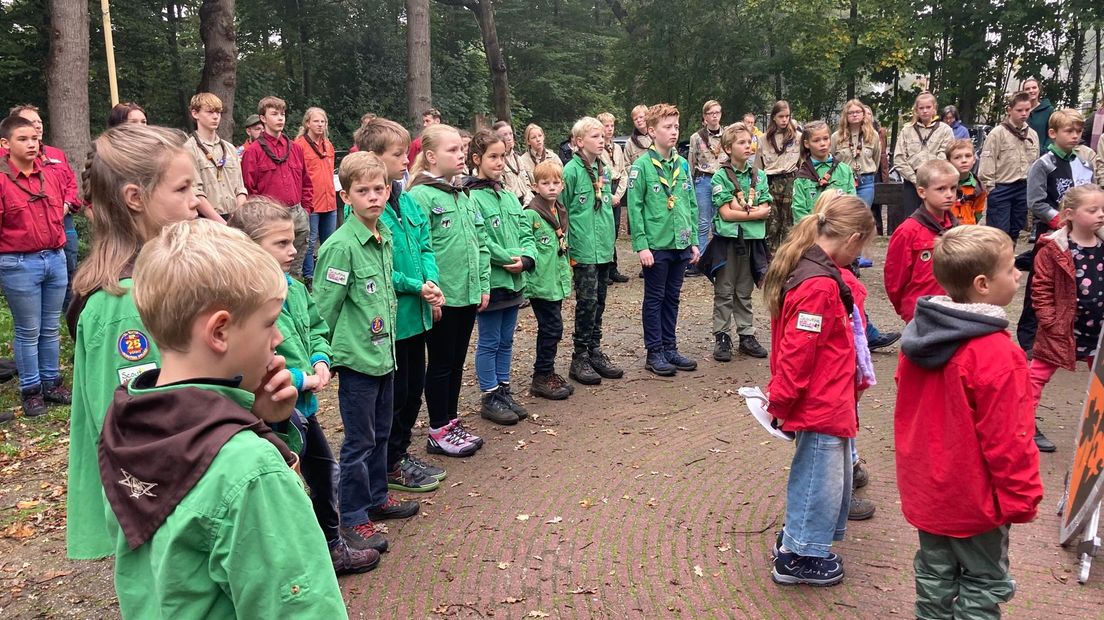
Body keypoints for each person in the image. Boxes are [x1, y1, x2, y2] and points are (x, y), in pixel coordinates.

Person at [102, 219, 349, 617]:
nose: (279, 338)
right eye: (269, 323)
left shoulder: (126, 425)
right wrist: (261, 447)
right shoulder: (251, 471)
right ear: (219, 331)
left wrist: (263, 425)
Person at [65, 124, 199, 560]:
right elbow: (132, 433)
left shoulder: (156, 281)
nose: (196, 201)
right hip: (161, 515)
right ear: (135, 199)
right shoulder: (123, 307)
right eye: (182, 189)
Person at [895, 225, 1042, 620]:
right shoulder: (997, 354)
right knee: (983, 583)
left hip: (928, 490)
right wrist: (1022, 497)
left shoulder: (918, 339)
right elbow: (1009, 438)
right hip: (975, 499)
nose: (1017, 276)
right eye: (1011, 269)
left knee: (933, 575)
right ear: (982, 283)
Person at [226, 198, 379, 574]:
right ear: (247, 246)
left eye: (294, 240)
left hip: (305, 409)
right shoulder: (242, 300)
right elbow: (251, 366)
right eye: (280, 243)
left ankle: (331, 543)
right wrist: (302, 378)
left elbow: (317, 327)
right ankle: (298, 560)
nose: (294, 250)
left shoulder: (293, 288)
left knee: (325, 475)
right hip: (275, 415)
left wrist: (322, 359)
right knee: (287, 488)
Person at [761, 192, 875, 586]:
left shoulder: (818, 275)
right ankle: (799, 556)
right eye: (862, 247)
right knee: (817, 477)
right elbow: (797, 351)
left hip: (829, 396)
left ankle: (799, 542)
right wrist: (782, 398)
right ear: (852, 238)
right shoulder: (818, 287)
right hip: (820, 400)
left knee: (827, 474)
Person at [314, 152, 422, 558]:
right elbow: (323, 307)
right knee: (358, 441)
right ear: (346, 197)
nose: (374, 197)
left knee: (380, 432)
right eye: (363, 191)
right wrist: (322, 353)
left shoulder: (383, 235)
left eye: (380, 189)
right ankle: (353, 512)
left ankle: (377, 495)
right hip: (358, 359)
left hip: (385, 354)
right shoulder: (341, 247)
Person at [352, 115, 446, 491]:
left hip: (419, 313)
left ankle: (399, 455)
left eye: (407, 152)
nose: (408, 159)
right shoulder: (364, 210)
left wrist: (432, 281)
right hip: (392, 320)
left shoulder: (405, 202)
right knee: (395, 395)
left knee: (412, 391)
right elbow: (378, 266)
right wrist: (415, 285)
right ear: (374, 158)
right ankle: (387, 463)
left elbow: (425, 246)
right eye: (398, 153)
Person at [406, 124, 488, 456]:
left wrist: (482, 284)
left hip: (466, 293)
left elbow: (478, 241)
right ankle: (437, 429)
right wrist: (432, 291)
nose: (461, 155)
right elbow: (417, 251)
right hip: (443, 297)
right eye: (452, 150)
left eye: (461, 149)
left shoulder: (462, 192)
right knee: (440, 363)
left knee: (456, 362)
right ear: (430, 156)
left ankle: (451, 422)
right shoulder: (420, 196)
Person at [1021, 109, 1103, 375]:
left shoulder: (1085, 164)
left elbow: (1090, 197)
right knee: (1042, 287)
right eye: (1070, 131)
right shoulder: (1043, 165)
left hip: (1083, 232)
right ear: (1053, 134)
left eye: (1078, 131)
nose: (1075, 136)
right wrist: (1062, 221)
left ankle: (1082, 341)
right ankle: (1029, 340)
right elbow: (1036, 201)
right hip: (1053, 235)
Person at [0, 115, 70, 418]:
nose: (32, 144)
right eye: (23, 139)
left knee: (51, 327)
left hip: (55, 257)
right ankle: (31, 389)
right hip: (19, 263)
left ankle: (52, 382)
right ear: (5, 144)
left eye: (34, 138)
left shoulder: (49, 174)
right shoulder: (2, 178)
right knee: (29, 330)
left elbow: (66, 201)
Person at [465, 130, 536, 425]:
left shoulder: (508, 196)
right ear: (477, 159)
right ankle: (490, 395)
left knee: (507, 339)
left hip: (515, 282)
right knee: (490, 341)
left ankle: (504, 389)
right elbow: (481, 240)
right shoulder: (472, 197)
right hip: (493, 282)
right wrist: (510, 259)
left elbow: (525, 230)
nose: (499, 162)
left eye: (503, 156)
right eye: (492, 157)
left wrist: (527, 258)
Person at [1030, 184, 1104, 454]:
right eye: (1093, 209)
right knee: (1036, 377)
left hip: (1099, 330)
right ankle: (1023, 426)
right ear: (1070, 214)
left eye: (1103, 209)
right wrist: (1050, 321)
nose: (1100, 214)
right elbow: (1041, 288)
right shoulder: (1054, 248)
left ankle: (1098, 432)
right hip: (1063, 328)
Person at [627, 103, 699, 376]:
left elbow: (690, 202)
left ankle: (670, 347)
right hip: (656, 244)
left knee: (673, 297)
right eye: (667, 127)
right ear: (652, 131)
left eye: (676, 127)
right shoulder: (642, 166)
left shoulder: (681, 163)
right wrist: (642, 245)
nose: (673, 132)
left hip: (680, 242)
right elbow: (634, 208)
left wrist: (693, 240)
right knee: (655, 298)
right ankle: (654, 351)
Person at [562, 116, 623, 385]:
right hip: (583, 247)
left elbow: (606, 204)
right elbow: (562, 209)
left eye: (603, 136)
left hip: (603, 247)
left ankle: (594, 350)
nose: (602, 140)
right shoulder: (571, 171)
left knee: (600, 301)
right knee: (586, 303)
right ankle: (579, 356)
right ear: (578, 142)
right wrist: (567, 247)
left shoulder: (603, 169)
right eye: (596, 137)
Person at [705, 121, 771, 362]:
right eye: (741, 142)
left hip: (752, 241)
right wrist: (754, 214)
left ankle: (746, 334)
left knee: (744, 290)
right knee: (724, 290)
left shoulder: (759, 175)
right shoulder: (720, 177)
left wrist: (743, 211)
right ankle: (722, 336)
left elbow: (766, 207)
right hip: (728, 241)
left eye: (749, 142)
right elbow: (726, 214)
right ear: (728, 148)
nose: (747, 146)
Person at [8, 105, 82, 315]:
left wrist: (66, 205)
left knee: (69, 266)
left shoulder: (55, 154)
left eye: (39, 121)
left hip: (63, 222)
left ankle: (69, 315)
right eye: (31, 122)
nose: (37, 126)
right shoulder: (7, 160)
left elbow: (71, 184)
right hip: (27, 232)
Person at [240, 96, 313, 277]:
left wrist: (306, 210)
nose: (280, 118)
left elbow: (306, 181)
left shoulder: (295, 149)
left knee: (294, 269)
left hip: (298, 214)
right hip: (271, 218)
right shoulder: (253, 152)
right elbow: (250, 189)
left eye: (282, 114)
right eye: (274, 114)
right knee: (271, 269)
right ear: (263, 118)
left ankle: (293, 298)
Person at [885, 160, 959, 323]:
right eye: (941, 189)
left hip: (953, 311)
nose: (949, 194)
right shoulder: (908, 231)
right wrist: (907, 310)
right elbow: (895, 280)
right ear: (922, 192)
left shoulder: (958, 229)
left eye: (953, 188)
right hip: (921, 313)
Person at [525, 159, 575, 400]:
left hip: (556, 279)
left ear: (562, 185)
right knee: (551, 328)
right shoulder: (532, 214)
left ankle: (548, 371)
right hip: (540, 282)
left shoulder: (559, 211)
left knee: (553, 328)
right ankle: (541, 375)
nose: (551, 187)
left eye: (556, 182)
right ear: (535, 186)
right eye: (545, 183)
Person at [978, 91, 1039, 243]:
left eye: (1027, 109)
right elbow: (987, 163)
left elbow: (1035, 163)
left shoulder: (1032, 135)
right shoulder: (997, 134)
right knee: (998, 233)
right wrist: (991, 189)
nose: (1024, 114)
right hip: (1002, 188)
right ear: (1010, 110)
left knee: (1015, 230)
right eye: (1019, 110)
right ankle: (995, 265)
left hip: (1022, 189)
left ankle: (1008, 262)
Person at [184, 92, 247, 224]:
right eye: (210, 112)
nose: (215, 117)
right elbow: (195, 192)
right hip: (205, 220)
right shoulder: (189, 149)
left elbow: (240, 188)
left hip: (233, 218)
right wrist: (223, 225)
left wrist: (237, 218)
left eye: (218, 112)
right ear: (195, 114)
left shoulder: (229, 149)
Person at [294, 107, 338, 288]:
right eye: (316, 121)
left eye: (323, 121)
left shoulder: (328, 146)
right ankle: (309, 277)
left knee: (329, 242)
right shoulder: (298, 145)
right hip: (311, 203)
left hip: (330, 202)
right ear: (307, 123)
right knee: (309, 242)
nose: (320, 125)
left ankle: (328, 275)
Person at [893, 92, 954, 213]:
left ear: (934, 109)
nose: (925, 111)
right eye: (921, 108)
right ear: (916, 110)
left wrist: (931, 177)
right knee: (912, 218)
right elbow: (899, 158)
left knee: (935, 217)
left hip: (937, 181)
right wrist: (915, 179)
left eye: (928, 107)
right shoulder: (907, 130)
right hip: (912, 183)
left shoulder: (945, 130)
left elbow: (945, 155)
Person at [792, 120, 857, 223]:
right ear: (807, 144)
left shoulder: (845, 170)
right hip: (814, 233)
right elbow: (799, 211)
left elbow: (852, 203)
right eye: (816, 140)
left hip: (841, 229)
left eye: (826, 139)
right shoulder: (802, 177)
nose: (822, 144)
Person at [758, 101, 803, 249]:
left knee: (788, 220)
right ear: (774, 118)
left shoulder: (798, 137)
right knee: (772, 222)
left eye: (787, 116)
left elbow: (803, 162)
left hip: (790, 179)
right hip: (770, 181)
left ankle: (788, 254)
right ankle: (770, 256)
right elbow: (758, 166)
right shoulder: (763, 139)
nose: (784, 120)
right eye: (781, 116)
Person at [831, 99, 880, 233]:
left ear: (863, 114)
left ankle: (858, 252)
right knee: (844, 217)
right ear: (845, 116)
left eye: (858, 112)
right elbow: (831, 159)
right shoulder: (837, 136)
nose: (854, 115)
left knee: (861, 219)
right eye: (851, 112)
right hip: (843, 181)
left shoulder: (873, 135)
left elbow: (876, 158)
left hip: (865, 181)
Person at [687, 100, 725, 272]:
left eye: (717, 112)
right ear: (705, 117)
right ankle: (698, 260)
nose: (715, 116)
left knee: (722, 220)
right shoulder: (696, 137)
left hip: (724, 180)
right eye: (711, 113)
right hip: (704, 179)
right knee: (702, 222)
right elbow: (691, 161)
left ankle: (719, 260)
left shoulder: (727, 135)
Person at [597, 112, 632, 283]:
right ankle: (605, 268)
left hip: (617, 187)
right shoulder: (597, 148)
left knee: (615, 229)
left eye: (612, 126)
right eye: (606, 126)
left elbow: (624, 171)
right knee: (605, 229)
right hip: (604, 189)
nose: (609, 129)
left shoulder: (617, 148)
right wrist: (609, 195)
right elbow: (599, 174)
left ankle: (613, 268)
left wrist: (618, 195)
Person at [946, 139, 987, 225]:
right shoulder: (942, 185)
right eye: (957, 157)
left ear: (974, 159)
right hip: (946, 230)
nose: (964, 160)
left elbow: (978, 212)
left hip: (968, 230)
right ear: (948, 162)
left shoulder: (979, 187)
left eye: (968, 156)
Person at [492, 121, 532, 204]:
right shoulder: (497, 162)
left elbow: (527, 182)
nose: (509, 137)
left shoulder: (518, 158)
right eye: (504, 135)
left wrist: (528, 199)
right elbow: (501, 186)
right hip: (509, 203)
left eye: (510, 134)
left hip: (526, 201)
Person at [518, 123, 556, 189]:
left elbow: (561, 180)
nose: (538, 139)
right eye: (533, 137)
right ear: (528, 142)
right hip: (533, 196)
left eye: (540, 136)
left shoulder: (553, 158)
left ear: (543, 137)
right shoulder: (522, 160)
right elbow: (524, 185)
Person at [1023, 78, 1054, 154]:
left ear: (1039, 90)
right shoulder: (1020, 110)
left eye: (1034, 88)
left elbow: (1052, 133)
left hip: (1041, 154)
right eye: (1027, 89)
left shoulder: (1048, 110)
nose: (1031, 91)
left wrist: (1044, 150)